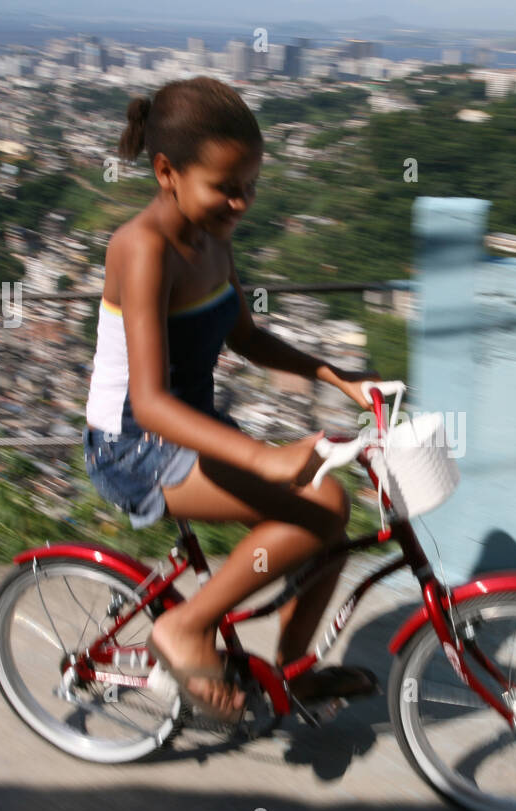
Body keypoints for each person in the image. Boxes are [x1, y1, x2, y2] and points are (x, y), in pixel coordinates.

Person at [82, 77, 378, 717]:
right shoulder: (143, 249)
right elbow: (151, 402)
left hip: (192, 427)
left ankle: (292, 675)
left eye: (250, 185)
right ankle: (185, 628)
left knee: (329, 525)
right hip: (135, 445)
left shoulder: (214, 235)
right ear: (167, 172)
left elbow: (244, 334)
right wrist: (261, 457)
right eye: (226, 186)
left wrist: (339, 377)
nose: (241, 202)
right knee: (323, 502)